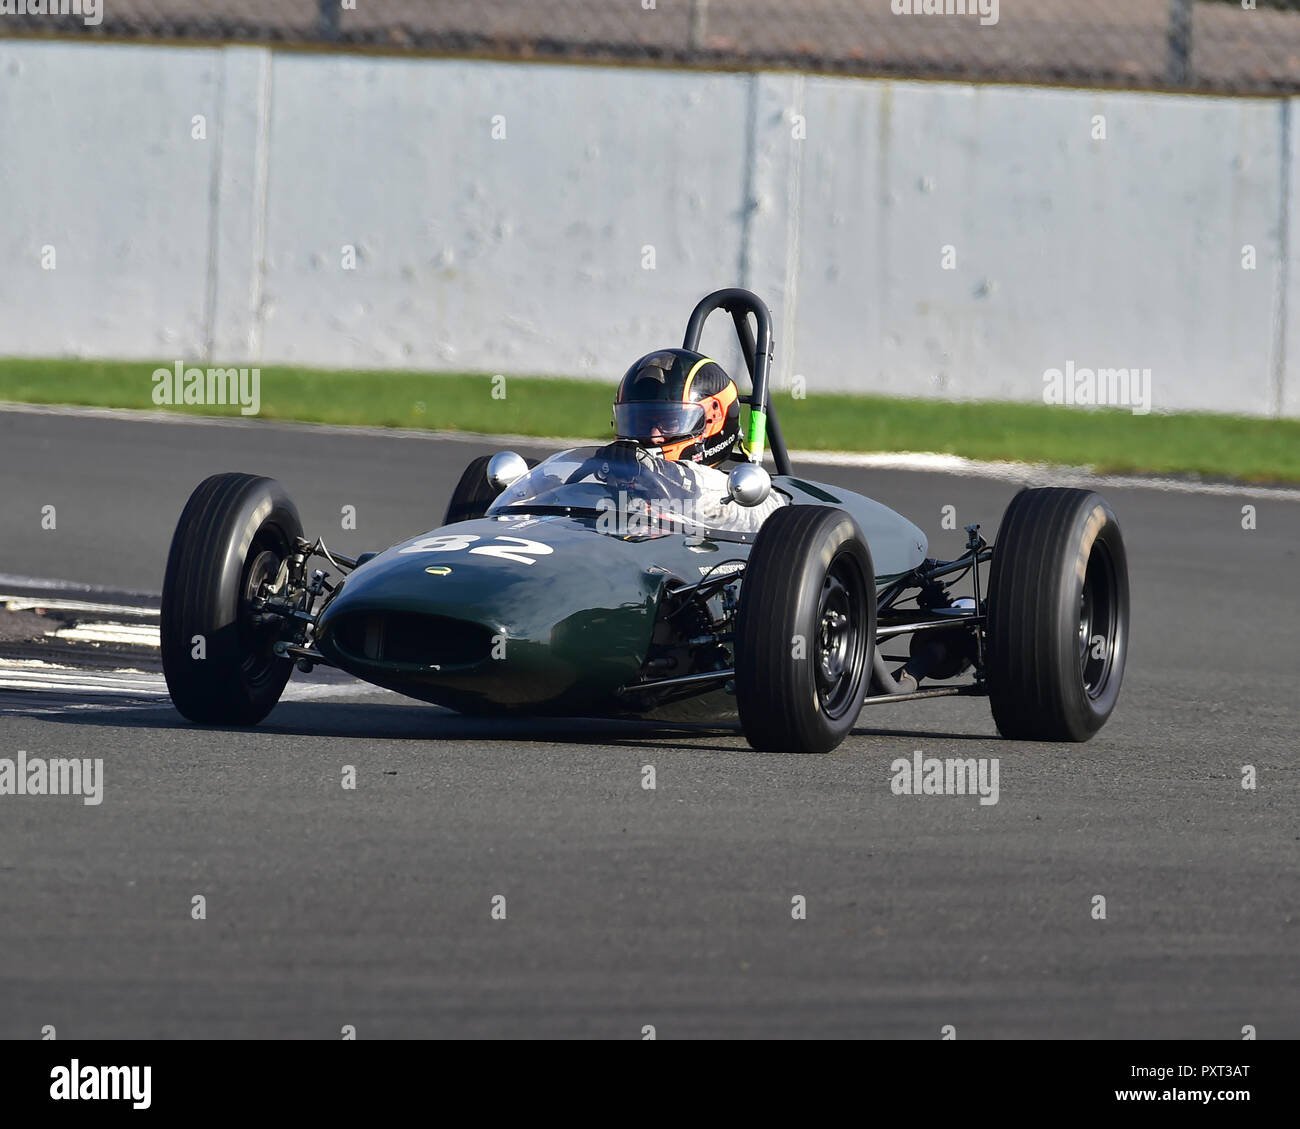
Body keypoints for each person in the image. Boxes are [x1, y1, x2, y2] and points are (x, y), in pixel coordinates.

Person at [610, 348, 785, 534]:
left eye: (669, 423)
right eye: (641, 423)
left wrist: (664, 474)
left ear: (713, 420)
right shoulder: (618, 478)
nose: (654, 436)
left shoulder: (743, 495)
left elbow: (776, 517)